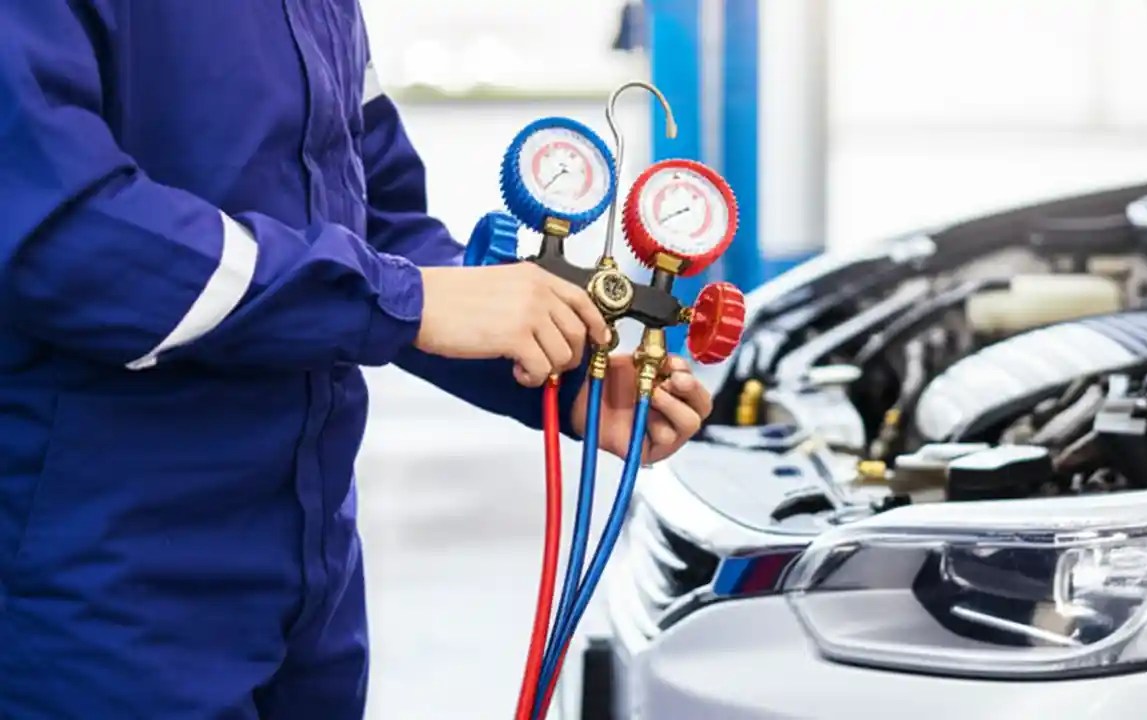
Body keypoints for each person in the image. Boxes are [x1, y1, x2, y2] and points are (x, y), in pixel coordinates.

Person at [0, 2, 713, 718]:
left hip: (313, 583)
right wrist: (401, 300)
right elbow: (67, 235)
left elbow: (380, 220)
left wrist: (554, 366)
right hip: (104, 590)